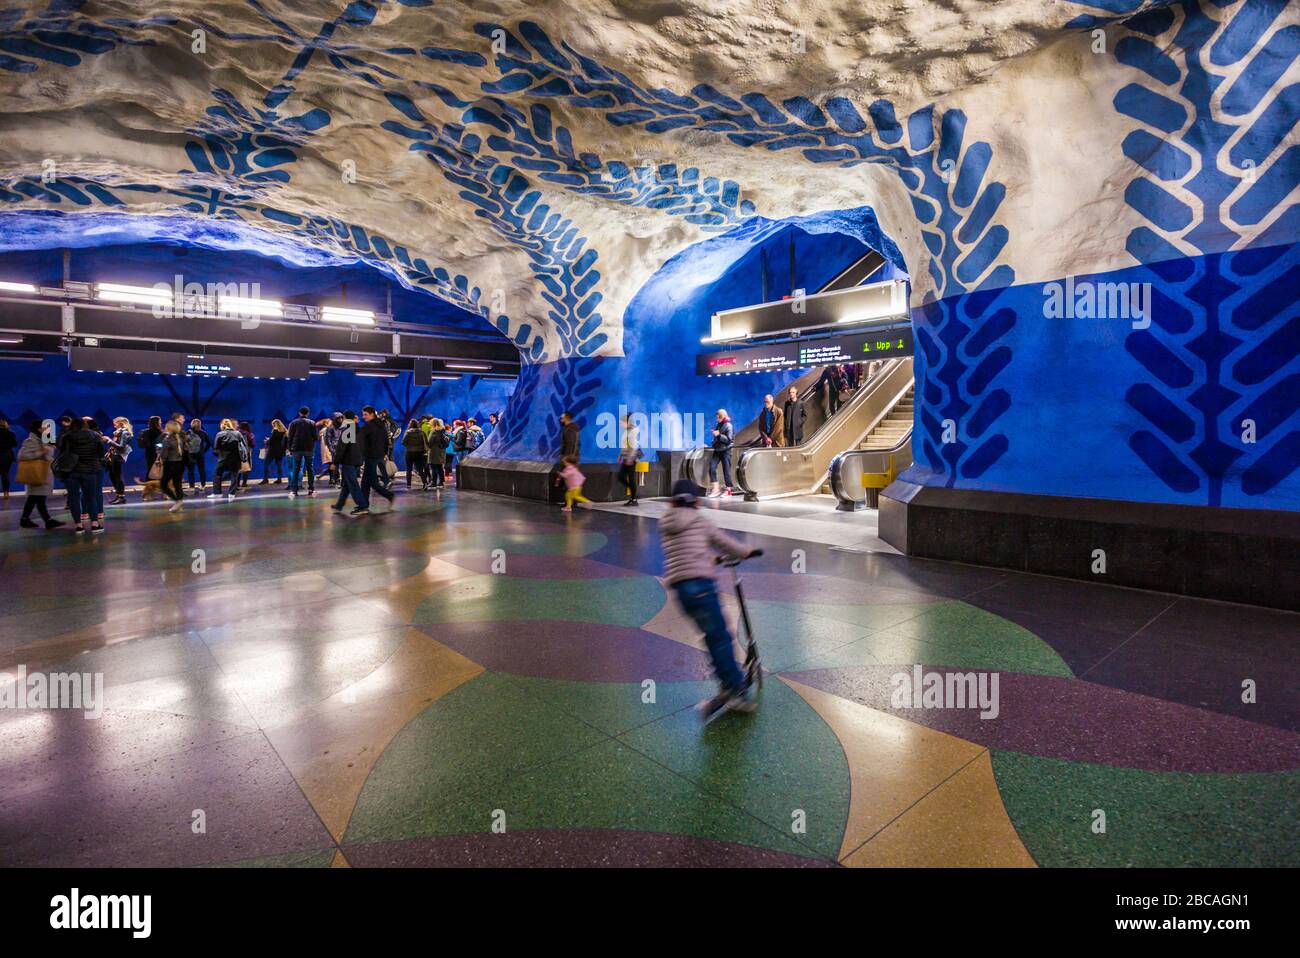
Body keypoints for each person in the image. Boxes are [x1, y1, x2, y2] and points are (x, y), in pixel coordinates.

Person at [659, 478, 760, 722]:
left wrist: (712, 560)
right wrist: (745, 552)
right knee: (721, 638)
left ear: (673, 502)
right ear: (697, 502)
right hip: (702, 587)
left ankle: (728, 680)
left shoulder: (666, 523)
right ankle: (735, 688)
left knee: (712, 637)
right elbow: (724, 543)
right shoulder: (701, 521)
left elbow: (686, 553)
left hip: (683, 591)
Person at [56, 415, 106, 533]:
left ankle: (78, 526)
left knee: (73, 498)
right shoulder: (95, 435)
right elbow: (100, 454)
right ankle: (94, 524)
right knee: (91, 497)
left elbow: (62, 452)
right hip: (90, 471)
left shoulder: (67, 436)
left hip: (71, 471)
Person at [16, 420, 63, 529]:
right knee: (37, 498)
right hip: (37, 473)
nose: (48, 429)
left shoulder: (44, 440)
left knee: (36, 498)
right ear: (39, 429)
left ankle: (27, 519)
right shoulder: (31, 440)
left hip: (42, 473)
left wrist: (50, 448)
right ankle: (46, 521)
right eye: (45, 427)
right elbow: (23, 456)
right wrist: (42, 452)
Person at [331, 410, 368, 516]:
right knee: (347, 484)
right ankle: (339, 504)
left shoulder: (348, 429)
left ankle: (362, 506)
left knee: (352, 484)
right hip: (356, 460)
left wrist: (335, 462)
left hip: (349, 461)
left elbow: (342, 448)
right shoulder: (357, 429)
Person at [360, 406, 395, 507]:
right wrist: (385, 453)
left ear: (372, 414)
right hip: (378, 455)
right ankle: (364, 504)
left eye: (365, 414)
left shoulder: (369, 426)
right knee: (365, 482)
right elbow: (386, 440)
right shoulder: (381, 425)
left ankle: (389, 495)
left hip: (371, 456)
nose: (364, 417)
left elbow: (360, 438)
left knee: (372, 482)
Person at [285, 407, 316, 498]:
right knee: (310, 469)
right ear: (308, 413)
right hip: (309, 449)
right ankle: (311, 489)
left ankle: (294, 490)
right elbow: (316, 437)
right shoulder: (312, 423)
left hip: (296, 449)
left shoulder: (294, 423)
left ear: (299, 413)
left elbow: (290, 437)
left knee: (296, 469)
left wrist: (290, 448)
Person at [210, 418, 245, 498]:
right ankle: (232, 493)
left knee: (217, 474)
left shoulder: (220, 434)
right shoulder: (238, 433)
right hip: (236, 458)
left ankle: (217, 493)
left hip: (223, 458)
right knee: (234, 475)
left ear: (222, 425)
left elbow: (216, 448)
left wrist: (219, 455)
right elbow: (243, 445)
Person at [104, 417, 134, 504]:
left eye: (115, 423)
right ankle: (118, 495)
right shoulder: (119, 432)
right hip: (114, 455)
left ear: (121, 423)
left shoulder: (125, 433)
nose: (114, 425)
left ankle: (121, 496)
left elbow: (121, 447)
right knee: (112, 475)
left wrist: (109, 441)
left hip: (119, 456)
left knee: (117, 476)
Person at [159, 420, 186, 513]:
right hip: (180, 464)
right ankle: (179, 500)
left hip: (170, 464)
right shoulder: (180, 438)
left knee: (163, 484)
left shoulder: (167, 439)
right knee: (177, 484)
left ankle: (177, 500)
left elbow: (164, 454)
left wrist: (160, 452)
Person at [706, 409, 734, 498]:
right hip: (717, 450)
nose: (717, 419)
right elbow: (718, 437)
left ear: (722, 417)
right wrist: (714, 439)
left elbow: (728, 440)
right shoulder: (719, 424)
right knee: (712, 468)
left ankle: (729, 491)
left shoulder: (729, 426)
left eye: (718, 417)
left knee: (727, 471)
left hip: (726, 451)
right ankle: (716, 489)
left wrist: (718, 435)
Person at [617, 415, 641, 507]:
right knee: (621, 477)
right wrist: (621, 456)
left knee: (631, 479)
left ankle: (634, 499)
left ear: (627, 422)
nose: (620, 424)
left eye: (622, 422)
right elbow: (625, 446)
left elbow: (634, 447)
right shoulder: (627, 432)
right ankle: (633, 494)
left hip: (631, 459)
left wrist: (630, 459)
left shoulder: (632, 432)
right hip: (626, 458)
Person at [401, 418, 429, 490]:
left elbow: (403, 442)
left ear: (410, 425)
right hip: (419, 453)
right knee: (420, 469)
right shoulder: (422, 432)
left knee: (409, 469)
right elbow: (425, 442)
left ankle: (408, 485)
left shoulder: (408, 432)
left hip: (409, 452)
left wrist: (409, 445)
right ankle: (425, 483)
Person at [186, 418, 211, 491]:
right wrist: (204, 450)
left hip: (190, 454)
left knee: (191, 470)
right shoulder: (203, 433)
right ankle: (203, 485)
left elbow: (185, 443)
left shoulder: (188, 432)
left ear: (191, 424)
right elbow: (209, 443)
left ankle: (191, 486)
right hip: (200, 454)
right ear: (200, 425)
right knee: (201, 470)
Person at [260, 419, 288, 484]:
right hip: (280, 451)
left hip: (272, 450)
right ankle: (279, 479)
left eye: (273, 424)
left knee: (266, 464)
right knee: (279, 465)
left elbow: (272, 440)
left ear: (275, 424)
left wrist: (267, 441)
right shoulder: (284, 432)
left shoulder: (275, 430)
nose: (272, 426)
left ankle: (265, 479)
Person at [138, 416, 163, 484]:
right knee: (158, 469)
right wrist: (159, 453)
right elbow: (160, 443)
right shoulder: (159, 432)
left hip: (149, 452)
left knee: (150, 468)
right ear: (157, 422)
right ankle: (157, 483)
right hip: (157, 453)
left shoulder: (146, 432)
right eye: (160, 421)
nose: (161, 422)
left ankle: (149, 484)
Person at [319, 415, 341, 486]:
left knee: (334, 464)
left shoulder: (332, 428)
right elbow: (328, 441)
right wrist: (331, 449)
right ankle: (332, 478)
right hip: (329, 450)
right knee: (333, 464)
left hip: (330, 449)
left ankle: (334, 479)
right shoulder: (327, 429)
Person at [426, 417, 448, 488]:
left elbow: (429, 443)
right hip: (441, 452)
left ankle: (434, 482)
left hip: (434, 452)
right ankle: (441, 482)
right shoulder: (442, 431)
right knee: (439, 467)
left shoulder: (434, 432)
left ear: (433, 424)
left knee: (434, 467)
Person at [0, 418, 16, 498]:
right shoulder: (11, 433)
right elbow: (14, 444)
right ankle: (6, 493)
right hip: (7, 455)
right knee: (5, 474)